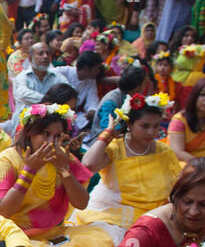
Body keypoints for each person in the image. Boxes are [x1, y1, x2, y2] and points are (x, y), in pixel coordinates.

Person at [0, 103, 113, 247]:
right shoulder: (9, 159)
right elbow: (5, 210)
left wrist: (64, 169)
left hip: (57, 233)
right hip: (19, 237)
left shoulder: (62, 157)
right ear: (30, 133)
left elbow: (82, 203)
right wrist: (29, 171)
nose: (51, 142)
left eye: (57, 136)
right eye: (45, 134)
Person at [76, 91, 183, 239]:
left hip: (151, 216)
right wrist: (107, 134)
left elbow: (177, 187)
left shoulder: (164, 151)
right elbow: (89, 164)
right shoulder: (117, 148)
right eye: (144, 126)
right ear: (129, 124)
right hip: (110, 215)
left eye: (156, 126)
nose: (151, 132)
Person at [166, 76, 205, 161]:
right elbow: (177, 152)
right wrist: (200, 165)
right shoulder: (180, 120)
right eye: (203, 94)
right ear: (194, 96)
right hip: (186, 162)